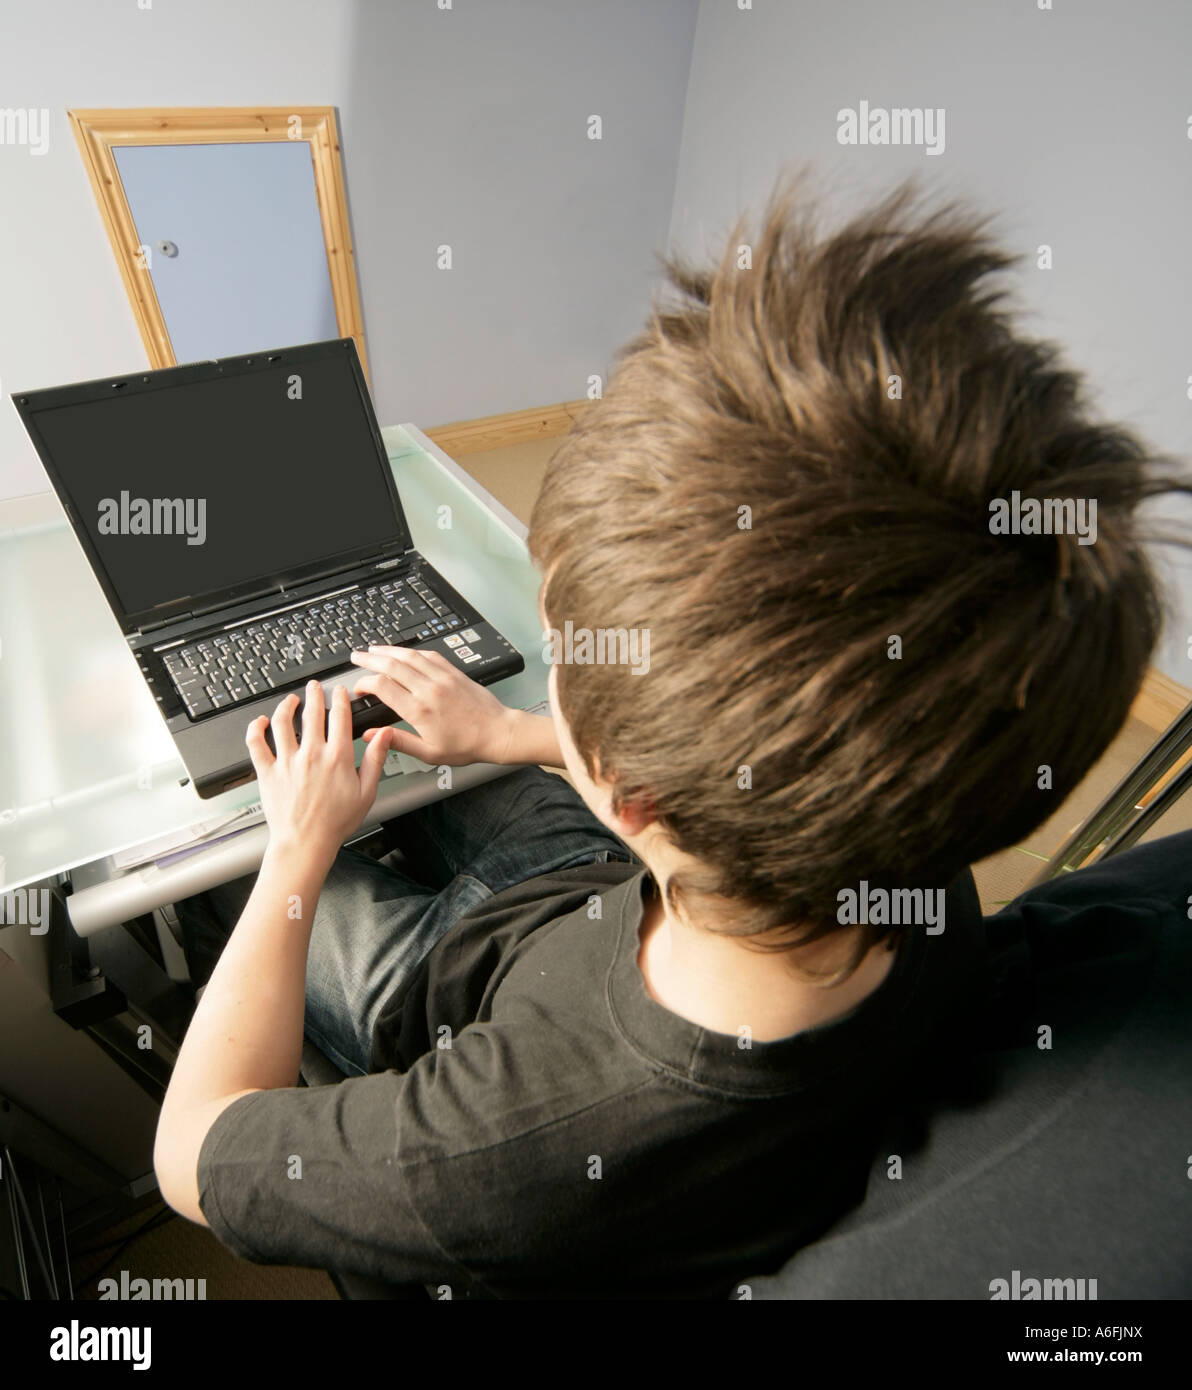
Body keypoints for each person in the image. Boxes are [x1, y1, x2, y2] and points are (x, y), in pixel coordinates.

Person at [153, 172, 1191, 1298]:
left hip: (461, 1015)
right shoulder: (919, 849)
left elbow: (190, 1152)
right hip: (592, 898)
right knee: (395, 778)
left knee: (202, 861)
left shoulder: (484, 1157)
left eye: (566, 657)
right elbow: (734, 778)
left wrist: (298, 852)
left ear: (633, 786)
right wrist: (510, 732)